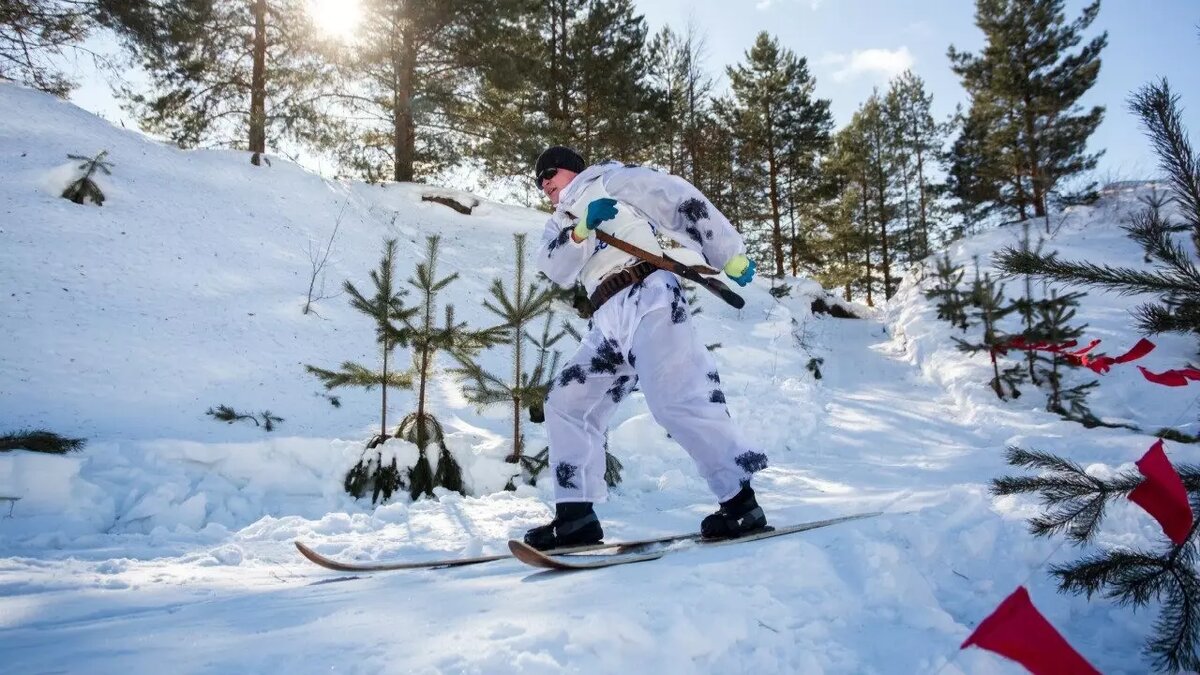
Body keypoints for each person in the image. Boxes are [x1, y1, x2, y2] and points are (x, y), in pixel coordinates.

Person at [524, 145, 768, 550]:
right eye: (538, 179)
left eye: (550, 172)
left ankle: (741, 502)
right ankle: (575, 516)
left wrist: (729, 254)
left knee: (675, 399)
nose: (544, 182)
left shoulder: (612, 180)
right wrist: (580, 230)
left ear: (573, 169)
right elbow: (554, 268)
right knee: (565, 402)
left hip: (650, 295)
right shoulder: (558, 222)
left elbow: (678, 198)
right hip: (606, 316)